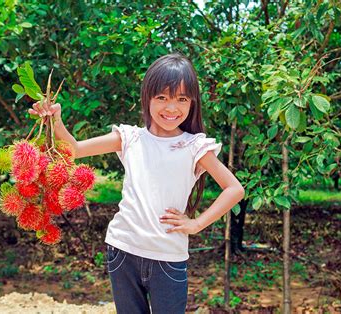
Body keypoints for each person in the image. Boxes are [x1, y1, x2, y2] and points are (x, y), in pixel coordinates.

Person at [29, 53, 245, 314]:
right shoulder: (130, 137)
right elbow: (73, 149)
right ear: (148, 98)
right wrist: (55, 119)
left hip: (168, 257)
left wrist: (196, 224)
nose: (172, 108)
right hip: (123, 250)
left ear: (192, 103)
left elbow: (234, 189)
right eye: (162, 98)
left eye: (182, 99)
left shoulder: (194, 146)